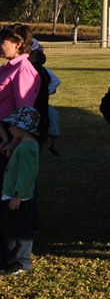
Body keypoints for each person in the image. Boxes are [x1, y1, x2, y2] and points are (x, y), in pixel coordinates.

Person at [0, 107, 40, 275]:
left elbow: (26, 174)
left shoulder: (26, 148)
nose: (10, 129)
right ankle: (9, 259)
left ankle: (21, 262)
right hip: (11, 195)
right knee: (9, 227)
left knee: (20, 230)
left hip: (18, 198)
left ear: (23, 127)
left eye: (13, 126)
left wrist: (18, 196)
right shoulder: (24, 145)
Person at [0, 25, 41, 148]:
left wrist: (14, 143)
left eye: (2, 42)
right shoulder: (8, 67)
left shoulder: (23, 70)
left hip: (8, 133)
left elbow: (24, 110)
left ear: (18, 44)